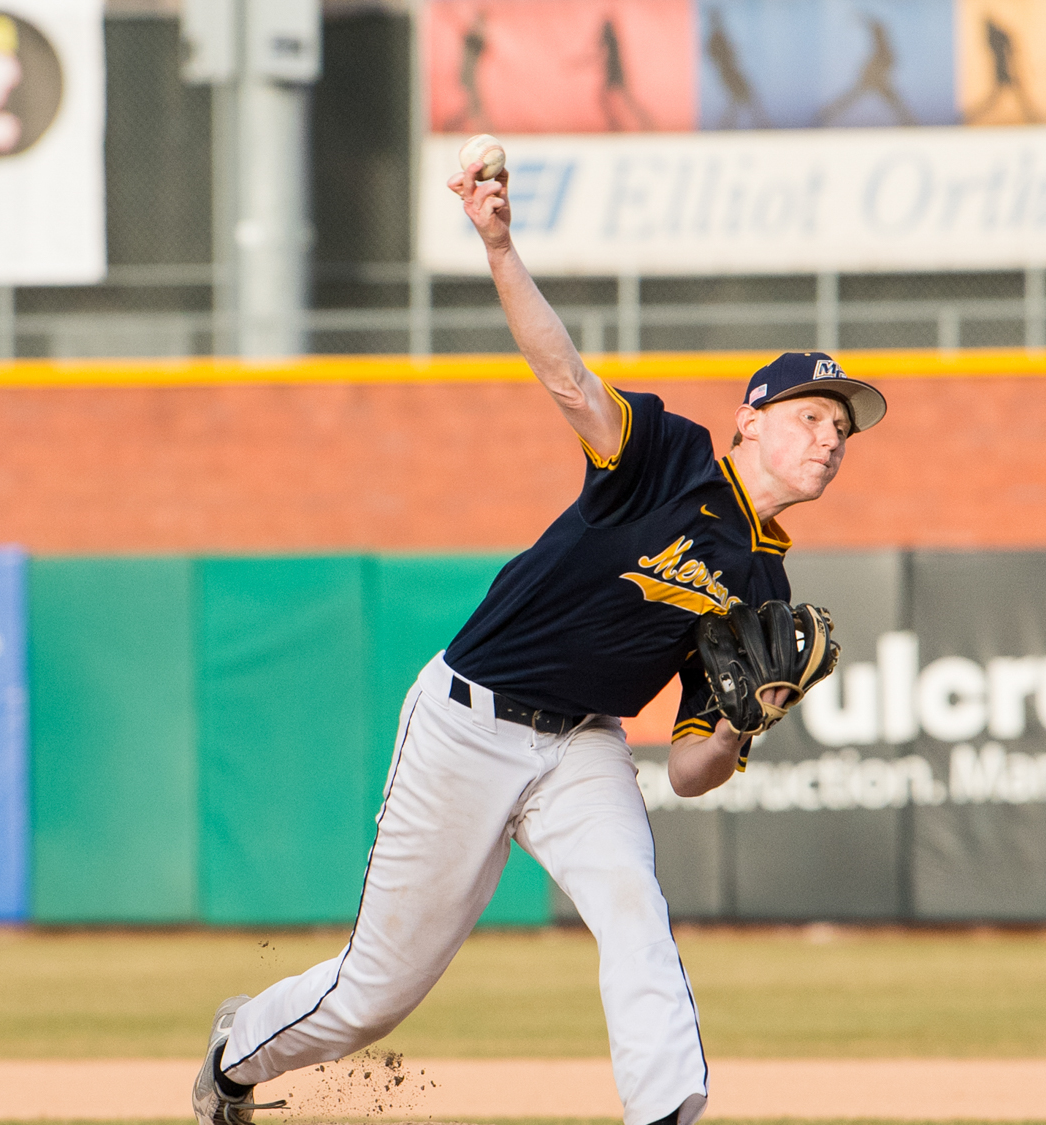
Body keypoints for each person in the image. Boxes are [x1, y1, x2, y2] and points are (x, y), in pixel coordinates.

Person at [191, 153, 887, 1125]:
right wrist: (499, 246)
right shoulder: (670, 455)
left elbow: (688, 772)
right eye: (811, 416)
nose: (828, 440)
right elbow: (565, 380)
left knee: (633, 912)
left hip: (579, 744)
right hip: (464, 721)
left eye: (842, 431)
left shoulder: (761, 587)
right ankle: (233, 1059)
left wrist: (743, 725)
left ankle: (664, 1117)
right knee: (376, 992)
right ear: (750, 421)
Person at [816, 15, 916, 127]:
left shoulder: (884, 47)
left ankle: (909, 122)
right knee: (850, 99)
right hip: (872, 78)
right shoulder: (882, 47)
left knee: (893, 101)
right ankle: (825, 115)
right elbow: (886, 61)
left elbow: (888, 61)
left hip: (877, 79)